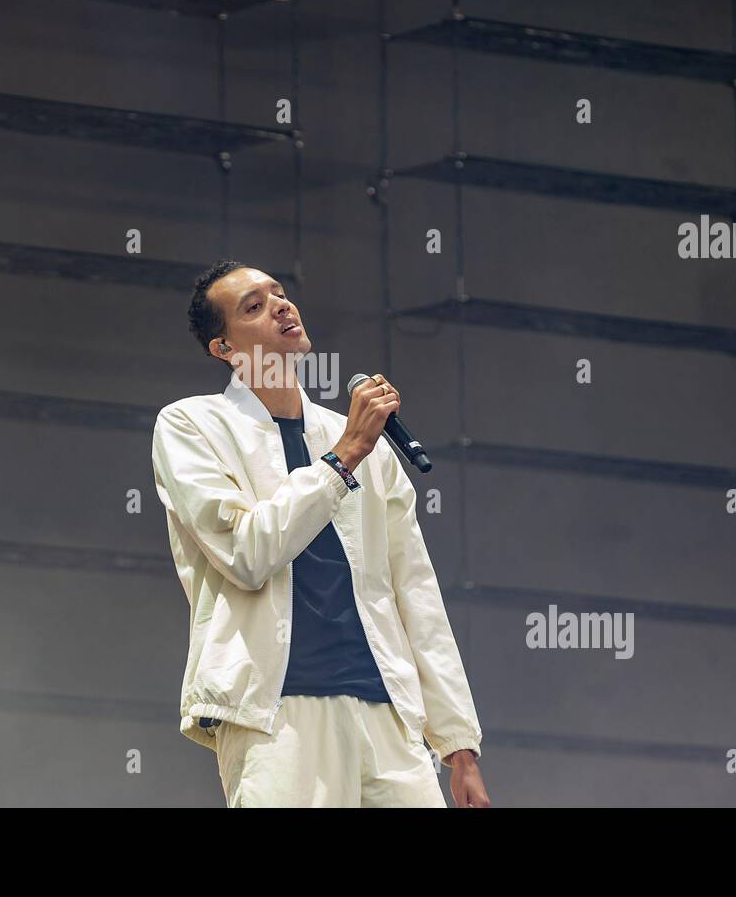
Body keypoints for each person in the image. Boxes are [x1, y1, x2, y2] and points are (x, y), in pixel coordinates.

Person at [151, 259, 489, 808]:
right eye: (254, 306)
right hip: (276, 709)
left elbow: (416, 591)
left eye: (280, 294)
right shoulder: (192, 425)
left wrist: (458, 745)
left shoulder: (350, 435)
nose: (281, 306)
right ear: (223, 348)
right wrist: (345, 457)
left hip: (387, 708)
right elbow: (246, 552)